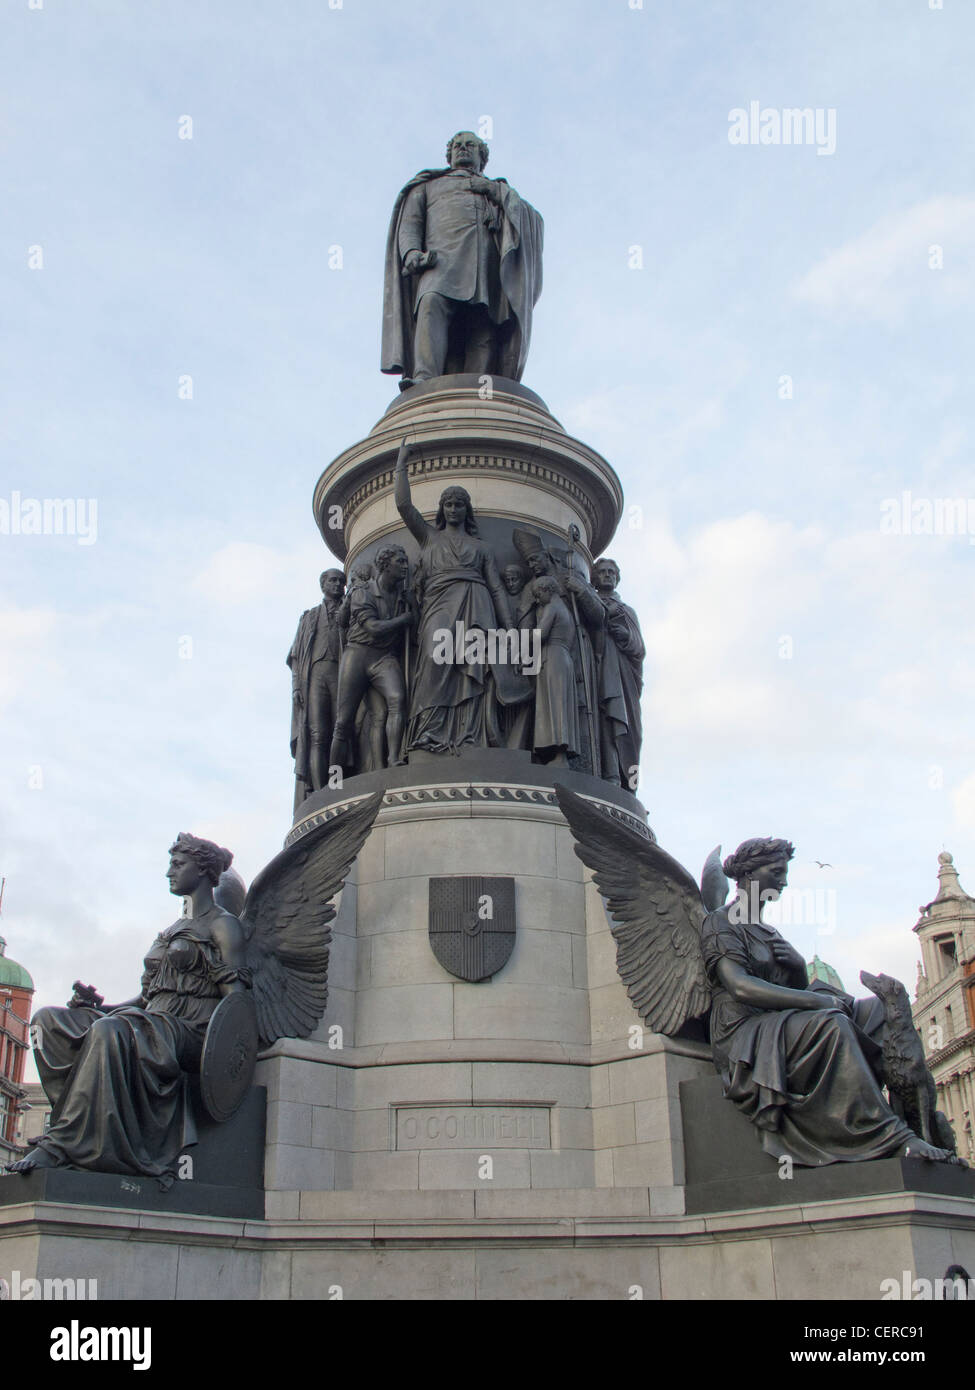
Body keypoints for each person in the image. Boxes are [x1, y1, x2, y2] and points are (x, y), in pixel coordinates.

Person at [6, 835, 250, 1184]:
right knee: (49, 1022)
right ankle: (79, 1127)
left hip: (190, 1030)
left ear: (203, 870)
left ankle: (64, 1145)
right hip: (150, 1021)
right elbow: (145, 999)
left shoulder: (223, 925)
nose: (169, 872)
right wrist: (100, 1006)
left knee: (112, 1030)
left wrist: (228, 1061)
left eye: (178, 864)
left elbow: (235, 1003)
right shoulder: (170, 931)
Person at [702, 837, 959, 1165]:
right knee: (831, 1022)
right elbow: (740, 987)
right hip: (744, 1033)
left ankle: (914, 1123)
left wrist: (796, 968)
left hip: (778, 1024)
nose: (784, 880)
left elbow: (794, 991)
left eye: (785, 872)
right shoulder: (721, 922)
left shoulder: (769, 931)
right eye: (776, 871)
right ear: (749, 875)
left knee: (878, 1011)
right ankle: (888, 1137)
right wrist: (815, 1003)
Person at [381, 131, 543, 387]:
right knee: (431, 304)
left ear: (482, 156)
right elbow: (411, 221)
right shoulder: (428, 185)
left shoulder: (496, 190)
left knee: (483, 326)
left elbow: (530, 219)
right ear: (449, 154)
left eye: (470, 145)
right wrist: (411, 252)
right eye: (457, 145)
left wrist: (493, 191)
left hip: (485, 268)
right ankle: (425, 379)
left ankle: (478, 392)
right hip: (440, 263)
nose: (462, 149)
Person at [395, 439, 515, 753]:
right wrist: (401, 463)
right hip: (439, 606)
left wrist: (509, 627)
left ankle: (468, 735)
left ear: (466, 509)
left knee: (473, 667)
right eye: (448, 504)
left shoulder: (481, 549)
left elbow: (497, 588)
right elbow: (404, 507)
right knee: (436, 659)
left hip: (477, 604)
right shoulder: (428, 538)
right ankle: (430, 733)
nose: (453, 509)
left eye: (459, 504)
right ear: (442, 509)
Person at [328, 545, 414, 770]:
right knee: (343, 721)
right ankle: (334, 780)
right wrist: (404, 619)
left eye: (406, 562)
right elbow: (373, 627)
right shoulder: (362, 591)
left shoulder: (402, 595)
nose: (406, 566)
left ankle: (392, 759)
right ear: (385, 565)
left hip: (384, 657)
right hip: (358, 655)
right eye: (400, 562)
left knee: (396, 701)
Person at [287, 569, 346, 804]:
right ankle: (320, 788)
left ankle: (339, 782)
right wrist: (296, 687)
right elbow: (295, 656)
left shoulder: (348, 611)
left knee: (340, 731)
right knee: (318, 733)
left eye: (342, 582)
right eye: (333, 581)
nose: (338, 585)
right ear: (323, 585)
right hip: (315, 677)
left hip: (341, 674)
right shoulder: (309, 617)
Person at [590, 557, 645, 789]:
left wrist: (624, 635)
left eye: (612, 572)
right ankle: (609, 774)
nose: (607, 575)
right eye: (602, 571)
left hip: (623, 675)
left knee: (627, 727)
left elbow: (639, 648)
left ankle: (627, 782)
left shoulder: (627, 611)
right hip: (599, 668)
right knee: (604, 719)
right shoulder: (589, 604)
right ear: (594, 577)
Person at [529, 576, 579, 765]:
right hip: (563, 658)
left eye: (537, 595)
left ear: (546, 590)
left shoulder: (552, 607)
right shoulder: (566, 610)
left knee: (554, 705)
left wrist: (515, 638)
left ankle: (559, 753)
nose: (536, 600)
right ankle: (558, 753)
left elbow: (540, 634)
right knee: (560, 703)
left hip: (552, 657)